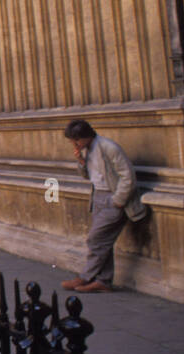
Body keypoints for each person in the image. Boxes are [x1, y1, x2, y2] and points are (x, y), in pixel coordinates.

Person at [61, 119, 147, 293]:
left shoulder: (109, 147)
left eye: (75, 140)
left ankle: (85, 277)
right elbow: (87, 176)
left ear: (85, 136)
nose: (74, 144)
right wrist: (80, 162)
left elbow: (127, 175)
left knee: (96, 239)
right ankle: (103, 281)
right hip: (97, 197)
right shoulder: (87, 150)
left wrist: (119, 200)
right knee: (104, 242)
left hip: (112, 198)